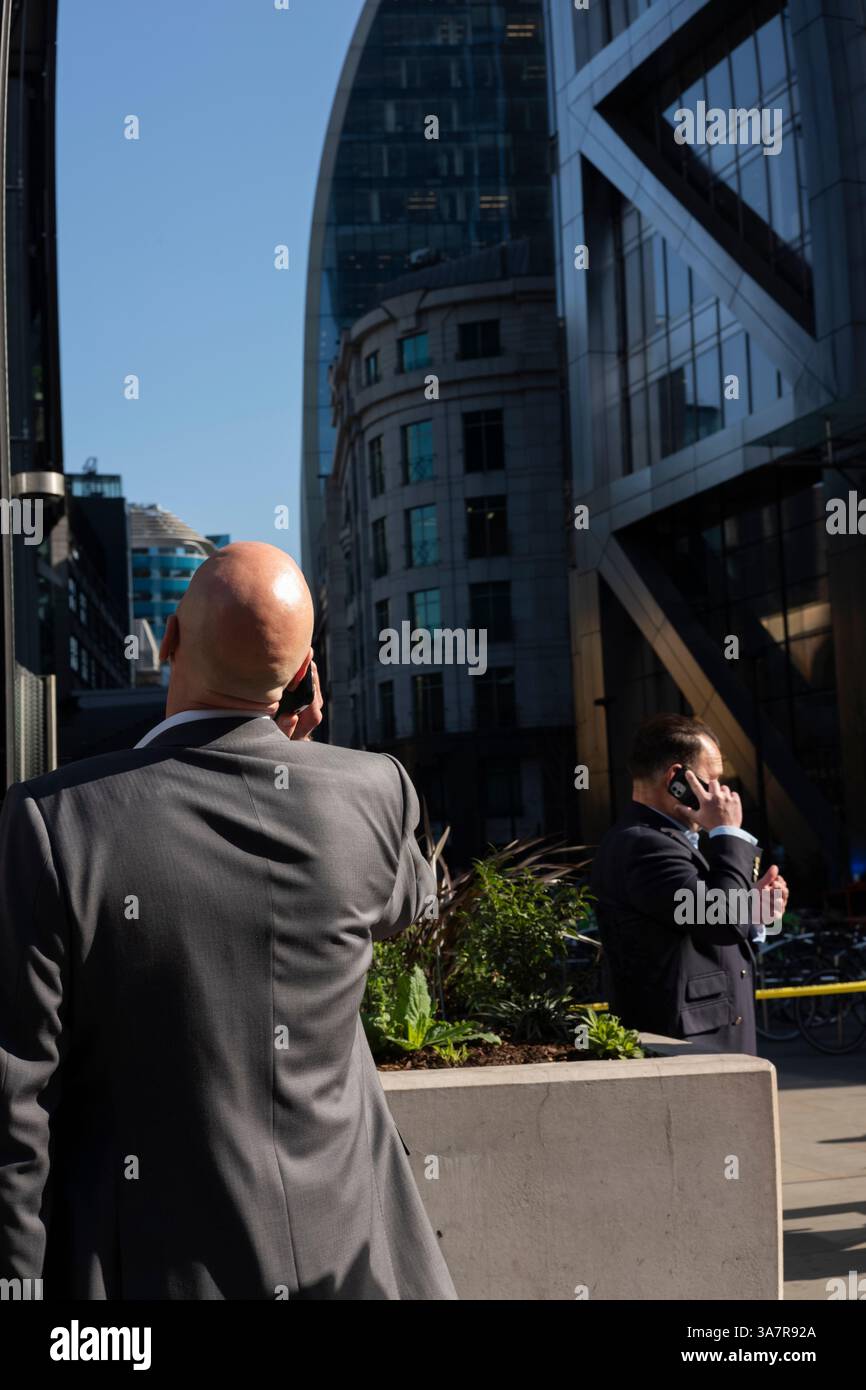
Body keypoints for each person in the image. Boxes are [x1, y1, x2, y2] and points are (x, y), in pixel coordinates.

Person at [0, 541, 457, 1300]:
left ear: (170, 639)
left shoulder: (56, 821)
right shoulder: (373, 792)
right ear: (305, 671)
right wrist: (295, 759)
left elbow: (18, 1100)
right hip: (350, 1258)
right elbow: (414, 902)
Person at [591, 713, 789, 1055]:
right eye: (711, 779)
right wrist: (728, 832)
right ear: (676, 779)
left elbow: (712, 919)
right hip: (687, 1046)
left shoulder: (671, 839)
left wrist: (754, 912)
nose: (722, 792)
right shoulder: (643, 845)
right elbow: (722, 921)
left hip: (710, 1037)